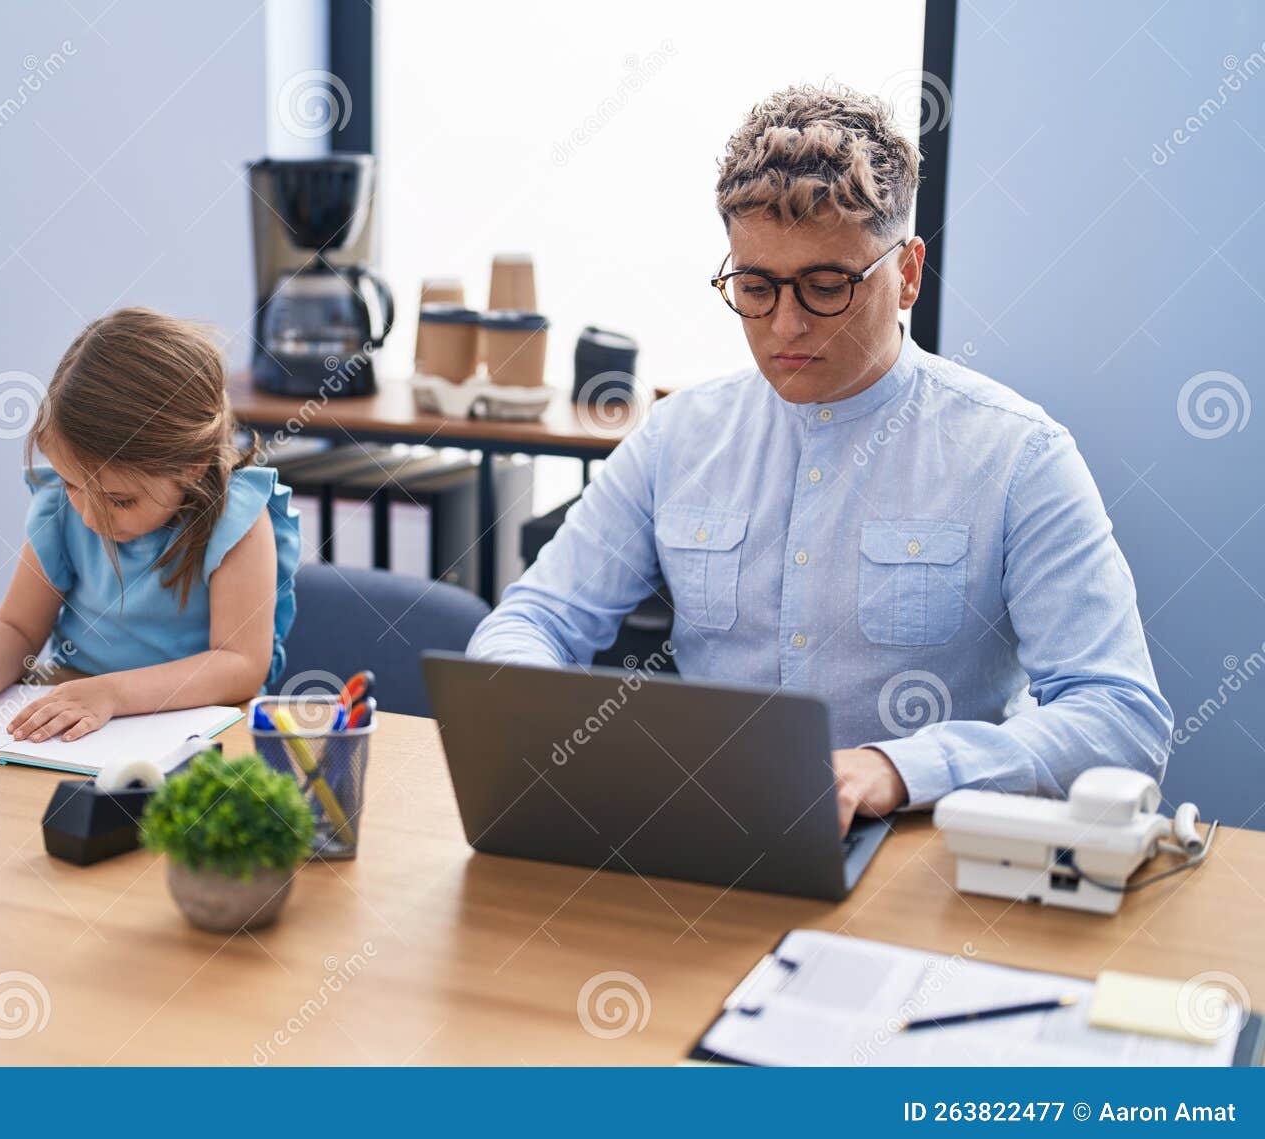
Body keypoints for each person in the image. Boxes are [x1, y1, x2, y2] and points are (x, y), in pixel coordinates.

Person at [468, 84, 1172, 833]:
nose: (786, 324)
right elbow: (533, 620)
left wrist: (896, 768)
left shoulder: (1018, 455)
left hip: (921, 856)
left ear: (906, 272)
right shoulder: (679, 438)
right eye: (756, 287)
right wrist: (547, 725)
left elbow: (1122, 721)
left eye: (827, 285)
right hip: (712, 837)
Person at [0, 307, 300, 741]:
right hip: (77, 713)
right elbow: (16, 628)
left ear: (192, 466)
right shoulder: (59, 511)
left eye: (120, 500)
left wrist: (113, 694)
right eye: (71, 484)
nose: (88, 515)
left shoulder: (239, 522)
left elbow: (240, 665)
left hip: (199, 724)